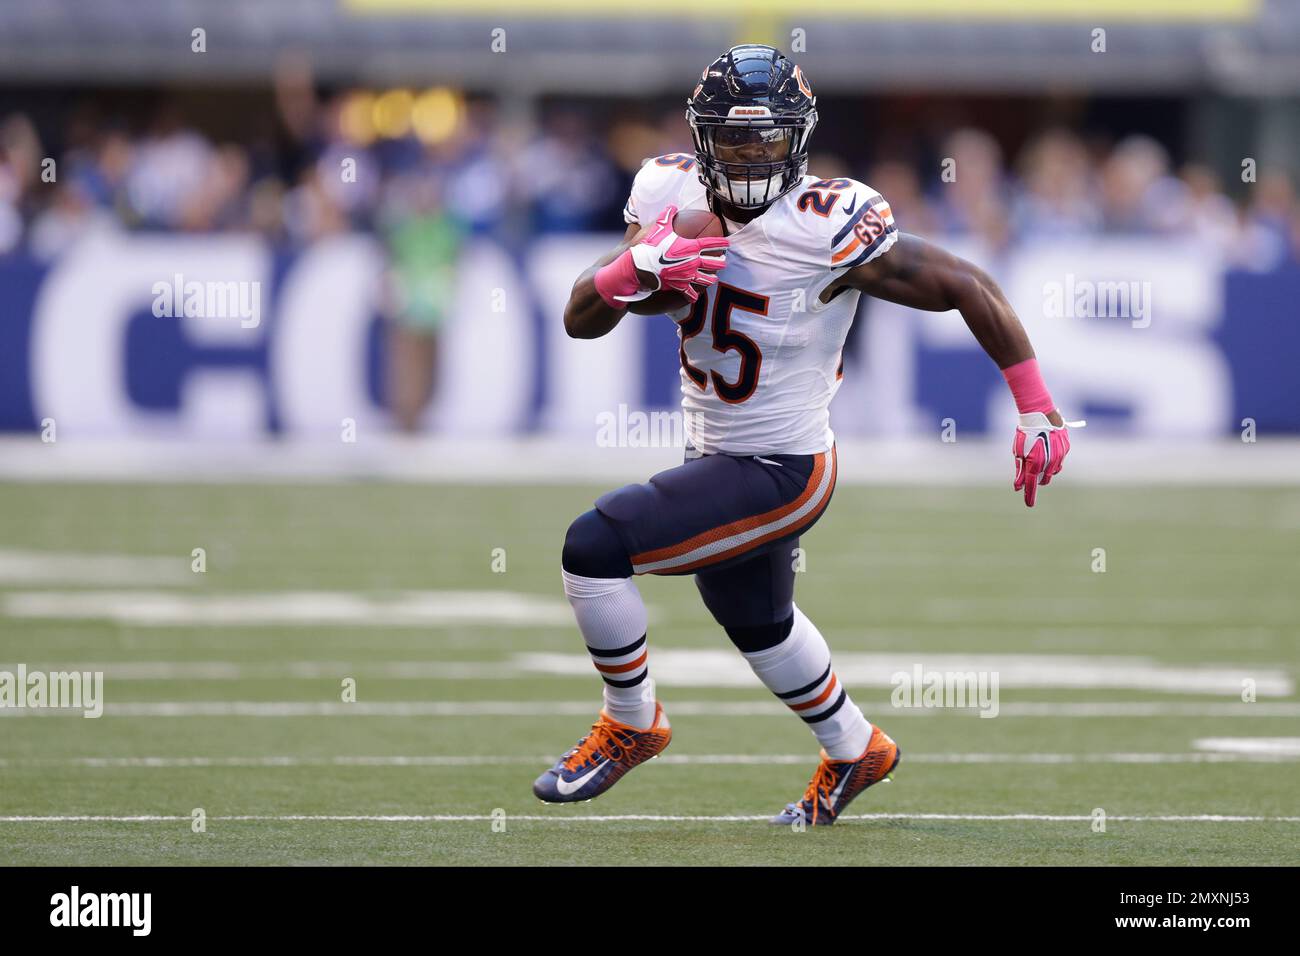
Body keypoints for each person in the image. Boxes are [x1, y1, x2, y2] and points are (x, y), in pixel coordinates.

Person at [535, 44, 1077, 825]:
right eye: (733, 138)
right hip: (715, 448)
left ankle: (632, 722)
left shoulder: (830, 224)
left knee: (594, 545)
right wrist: (640, 270)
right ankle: (857, 749)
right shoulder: (666, 189)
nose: (751, 154)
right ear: (699, 139)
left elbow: (966, 284)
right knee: (755, 616)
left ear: (801, 137)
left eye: (767, 137)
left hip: (785, 465)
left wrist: (1033, 403)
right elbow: (583, 319)